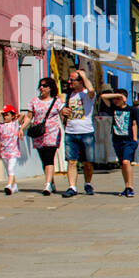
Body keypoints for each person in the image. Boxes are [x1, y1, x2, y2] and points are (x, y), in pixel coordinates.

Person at [60, 68, 97, 197]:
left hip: (86, 132)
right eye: (69, 80)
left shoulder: (88, 95)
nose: (69, 82)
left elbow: (91, 90)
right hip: (70, 132)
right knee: (71, 161)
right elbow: (61, 110)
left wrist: (84, 76)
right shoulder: (68, 95)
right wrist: (62, 112)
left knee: (87, 162)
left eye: (72, 80)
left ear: (81, 81)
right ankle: (72, 187)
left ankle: (87, 183)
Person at [22, 76, 62, 194]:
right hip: (39, 133)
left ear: (50, 88)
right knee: (44, 160)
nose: (41, 88)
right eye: (40, 85)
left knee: (49, 158)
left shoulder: (57, 101)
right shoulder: (34, 101)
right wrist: (21, 128)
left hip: (52, 132)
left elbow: (62, 114)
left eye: (44, 86)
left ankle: (47, 185)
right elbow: (29, 117)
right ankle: (51, 182)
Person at [100, 87, 139, 197]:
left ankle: (130, 187)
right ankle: (126, 186)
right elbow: (103, 97)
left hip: (129, 140)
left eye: (118, 99)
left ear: (124, 99)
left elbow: (135, 124)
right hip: (117, 140)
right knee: (122, 165)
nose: (115, 101)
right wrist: (116, 95)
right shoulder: (113, 108)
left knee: (126, 162)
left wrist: (135, 139)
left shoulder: (132, 110)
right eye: (114, 99)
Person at [0, 104, 22, 194]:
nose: (5, 116)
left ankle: (9, 186)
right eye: (4, 115)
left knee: (10, 169)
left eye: (7, 114)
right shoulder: (0, 126)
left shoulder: (15, 124)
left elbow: (22, 115)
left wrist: (15, 116)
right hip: (4, 152)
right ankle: (14, 186)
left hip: (13, 151)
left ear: (12, 116)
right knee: (9, 171)